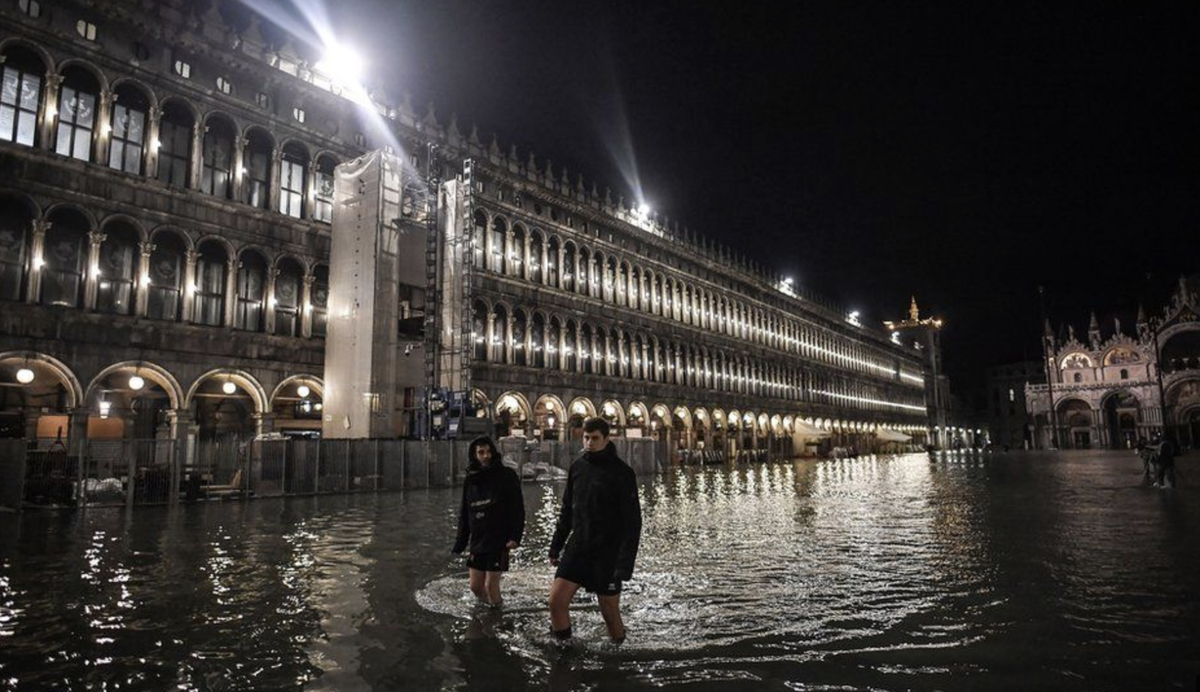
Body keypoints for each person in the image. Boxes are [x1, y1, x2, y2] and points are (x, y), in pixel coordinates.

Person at [548, 417, 642, 645]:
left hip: (607, 552)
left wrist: (624, 564)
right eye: (586, 438)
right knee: (556, 601)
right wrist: (556, 545)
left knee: (609, 613)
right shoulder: (577, 467)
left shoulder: (622, 473)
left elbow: (633, 522)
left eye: (595, 438)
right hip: (579, 546)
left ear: (607, 438)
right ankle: (564, 648)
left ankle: (618, 652)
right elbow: (567, 510)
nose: (589, 443)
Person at [452, 436, 525, 607]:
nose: (485, 456)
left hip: (499, 538)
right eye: (481, 452)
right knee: (476, 586)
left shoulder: (507, 475)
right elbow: (465, 511)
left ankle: (496, 615)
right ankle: (487, 610)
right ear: (474, 455)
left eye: (488, 452)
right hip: (478, 538)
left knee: (491, 585)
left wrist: (515, 536)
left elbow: (517, 508)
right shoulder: (471, 480)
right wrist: (461, 542)